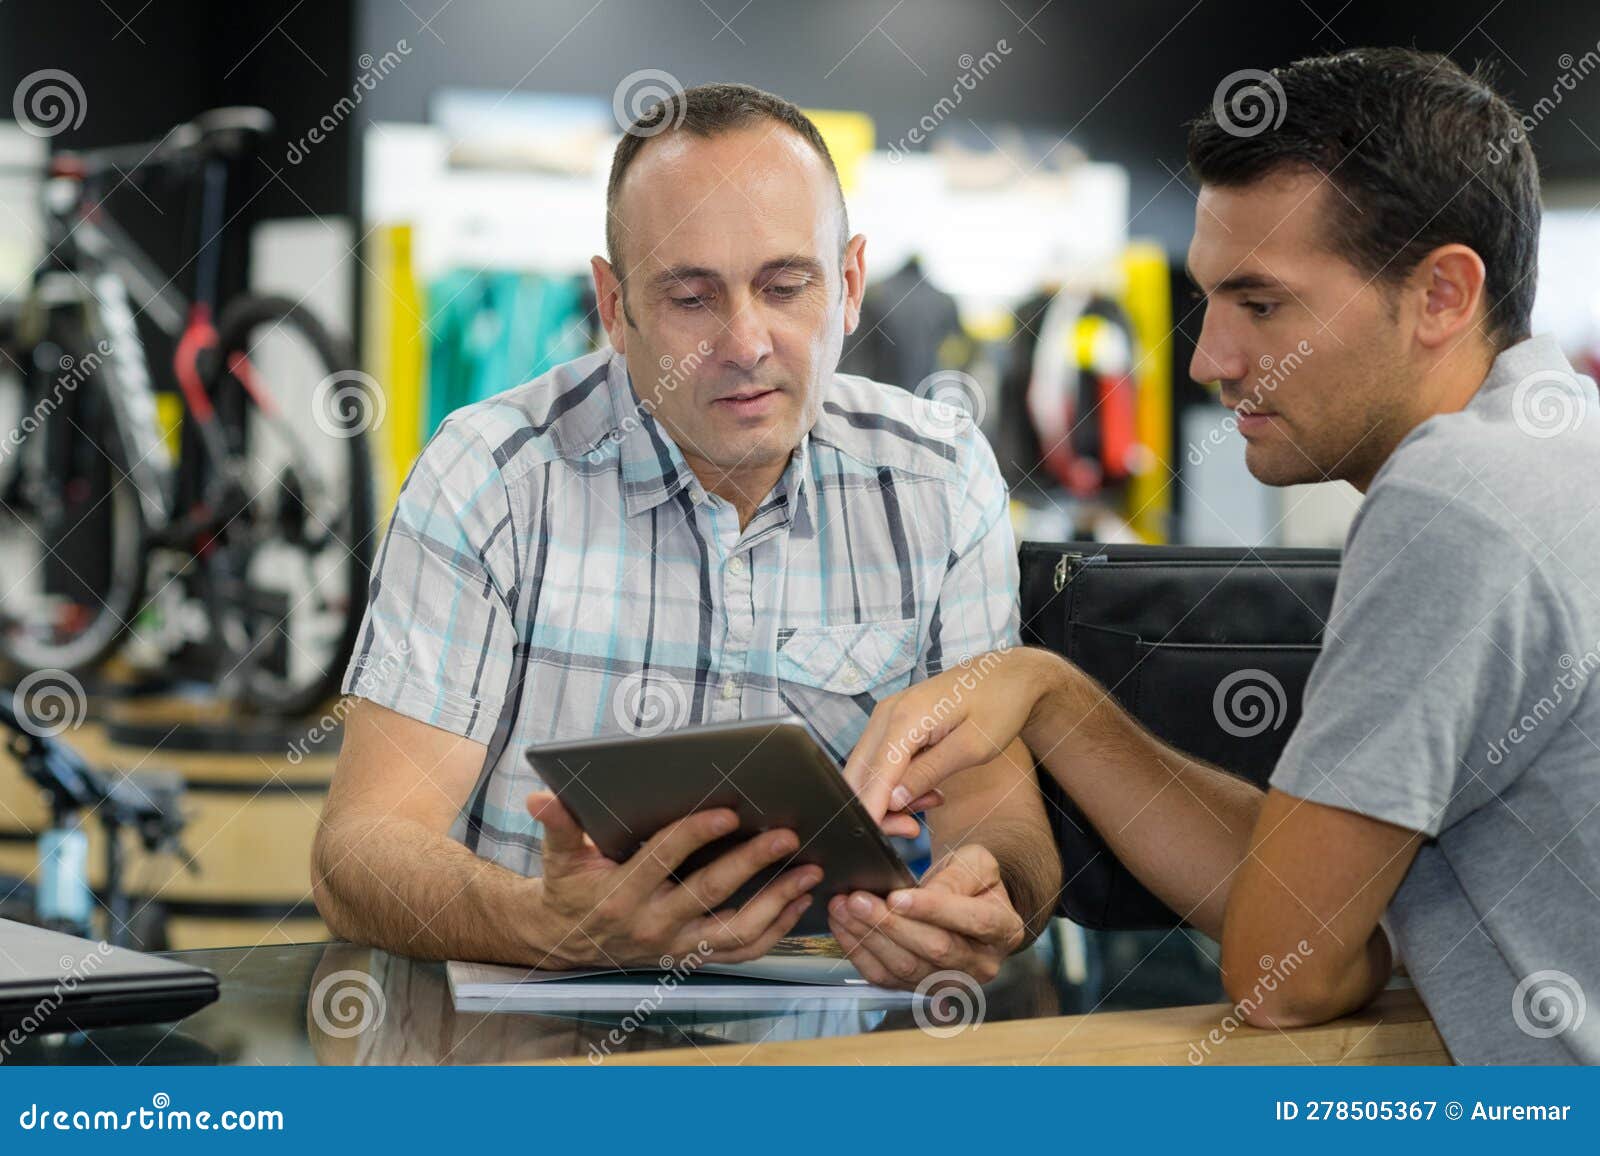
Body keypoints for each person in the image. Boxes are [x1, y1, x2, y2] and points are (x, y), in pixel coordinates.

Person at [844, 48, 1600, 1063]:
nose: (1209, 360)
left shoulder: (1452, 495)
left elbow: (1283, 972)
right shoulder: (1560, 442)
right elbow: (1301, 916)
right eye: (1213, 304)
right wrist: (1045, 690)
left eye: (1262, 305)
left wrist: (1347, 941)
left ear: (1440, 295)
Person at [312, 83, 1060, 988]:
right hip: (528, 1059)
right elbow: (357, 853)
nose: (746, 341)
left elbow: (996, 810)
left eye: (786, 287)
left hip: (832, 1062)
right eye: (691, 298)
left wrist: (988, 889)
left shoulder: (939, 479)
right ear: (614, 306)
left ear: (851, 285)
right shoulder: (492, 475)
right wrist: (545, 924)